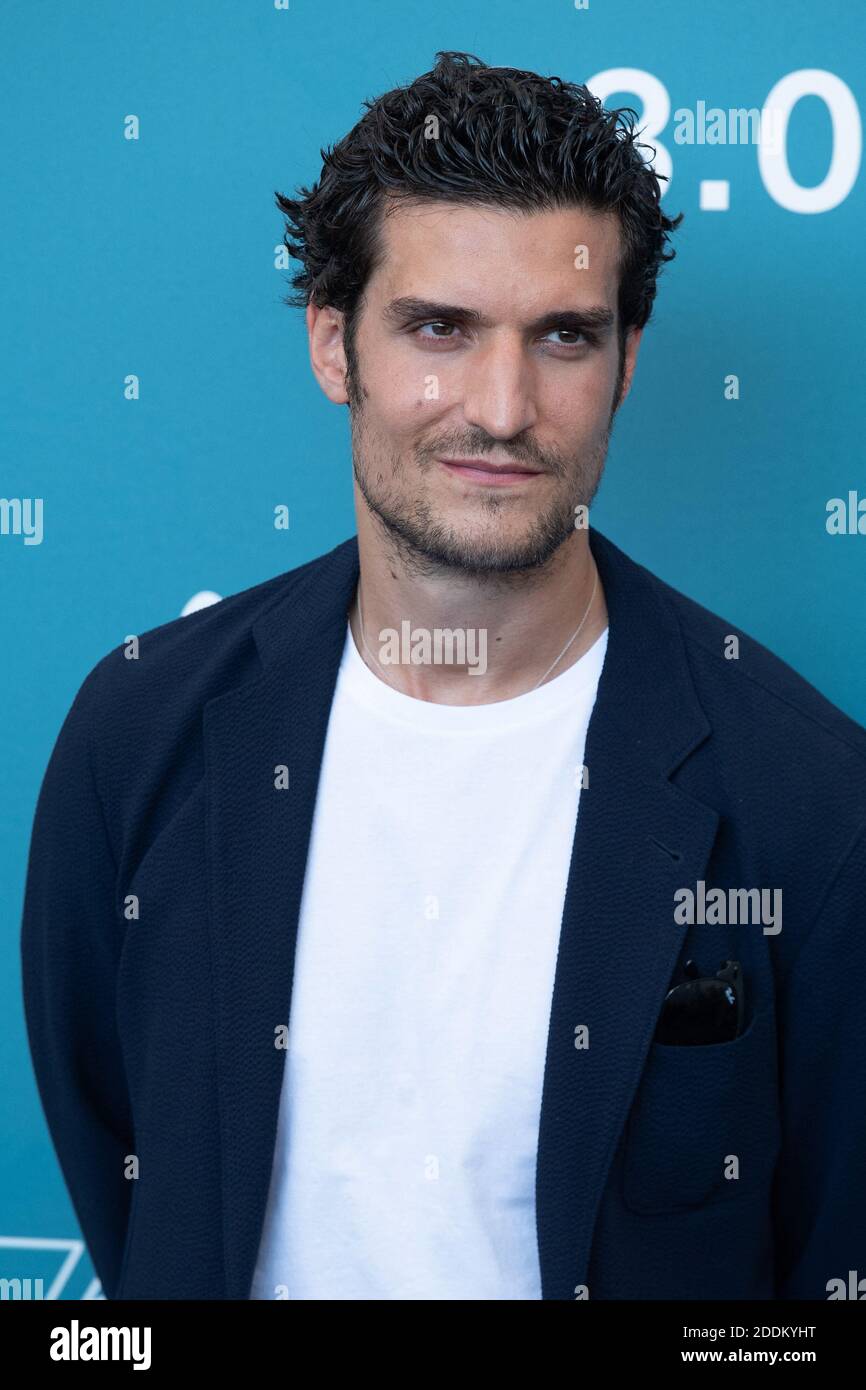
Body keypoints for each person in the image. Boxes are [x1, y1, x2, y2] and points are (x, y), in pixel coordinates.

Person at [21, 51, 866, 1301]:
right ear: (331, 344)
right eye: (438, 328)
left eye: (563, 337)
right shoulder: (142, 729)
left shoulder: (804, 790)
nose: (502, 406)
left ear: (626, 362)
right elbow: (123, 1151)